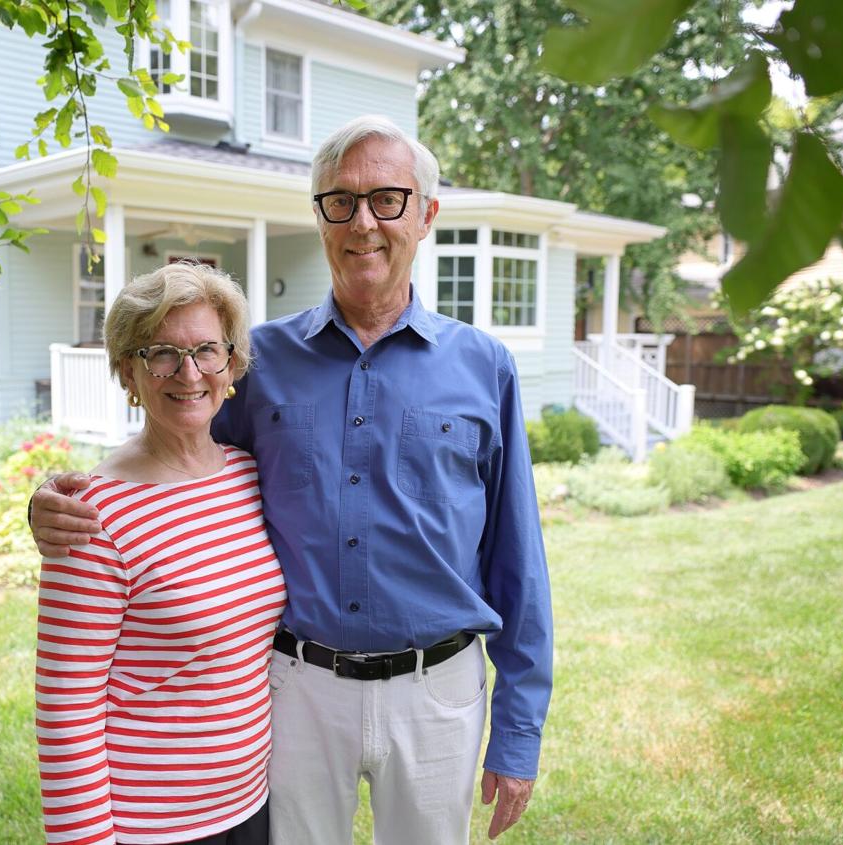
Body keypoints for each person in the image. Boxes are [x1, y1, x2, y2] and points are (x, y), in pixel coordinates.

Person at [31, 115, 553, 844]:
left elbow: (517, 558)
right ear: (318, 218)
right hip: (298, 692)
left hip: (439, 695)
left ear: (427, 214)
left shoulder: (485, 366)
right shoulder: (259, 362)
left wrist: (519, 730)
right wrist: (62, 502)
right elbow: (177, 443)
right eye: (340, 201)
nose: (363, 221)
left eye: (388, 199)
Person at [34, 262, 286, 845]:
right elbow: (65, 710)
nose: (188, 372)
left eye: (206, 350)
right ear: (129, 370)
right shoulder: (93, 513)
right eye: (162, 353)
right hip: (151, 826)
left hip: (252, 805)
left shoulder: (246, 476)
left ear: (232, 365)